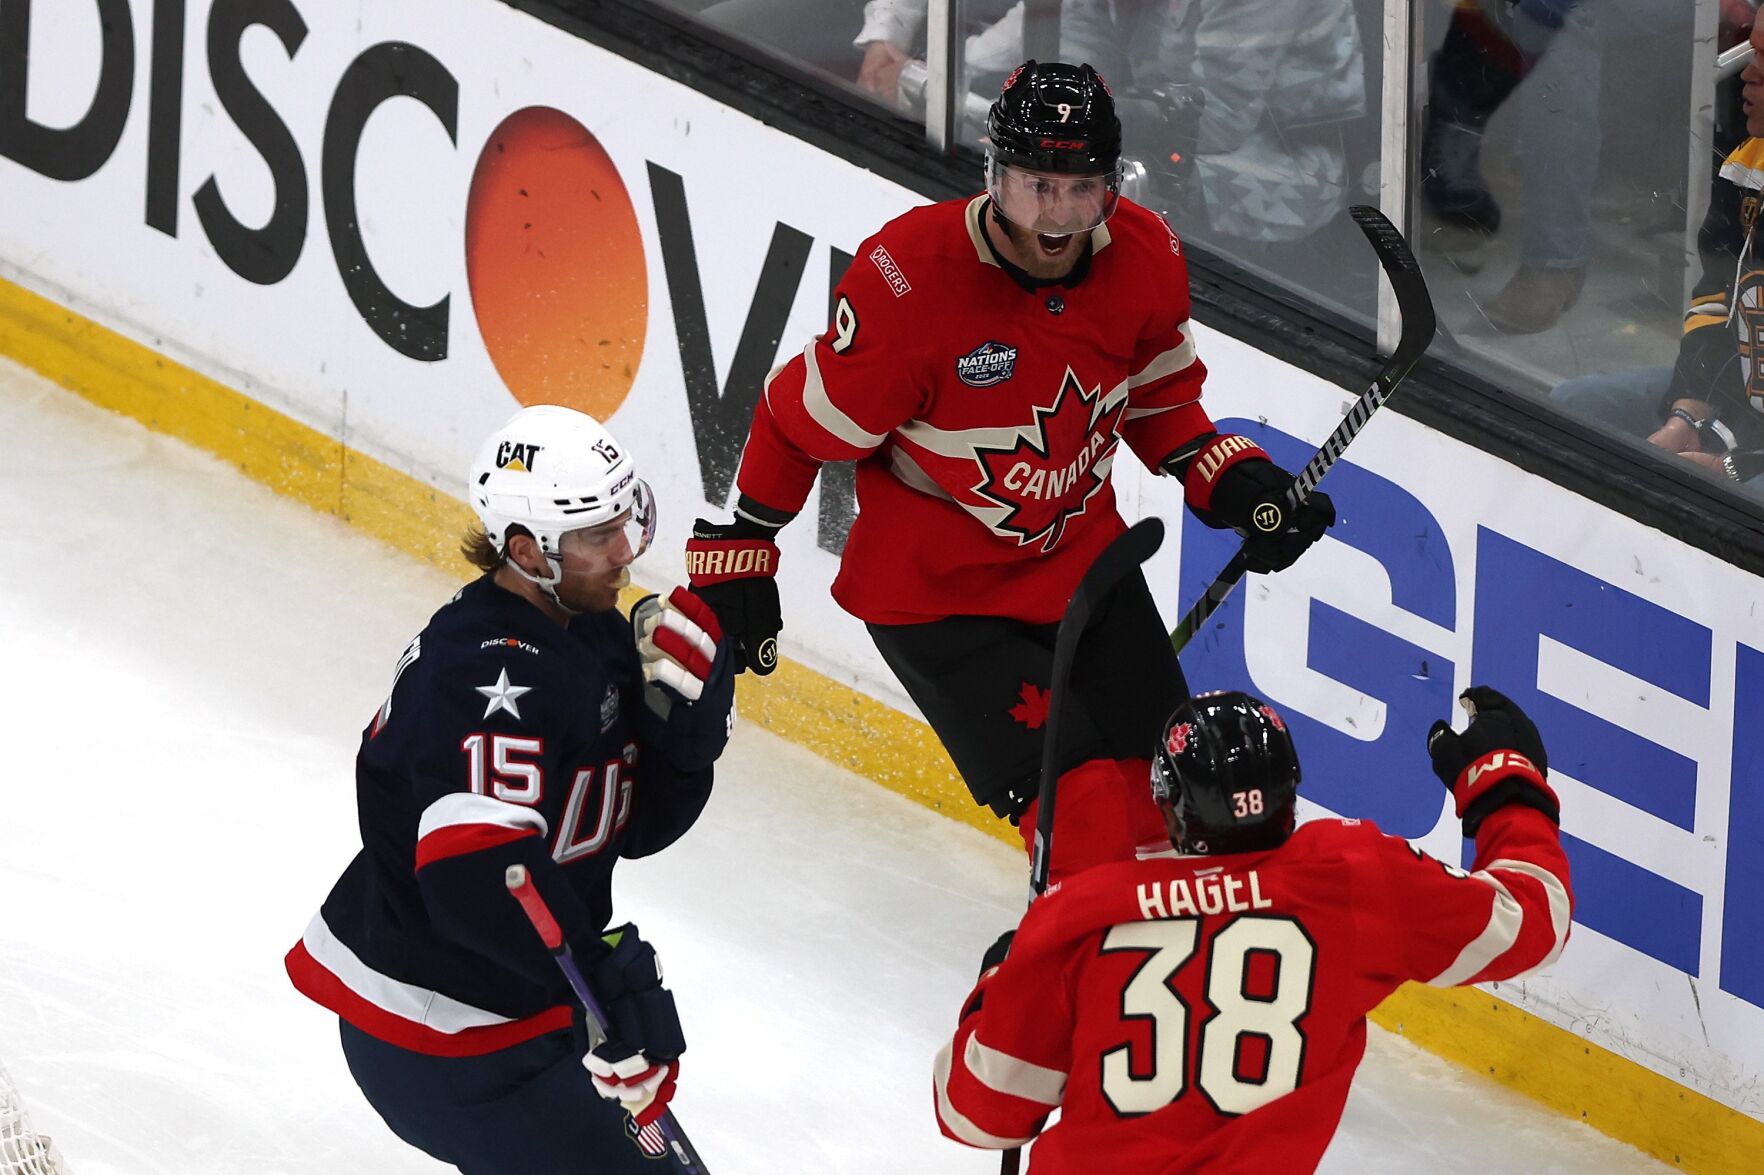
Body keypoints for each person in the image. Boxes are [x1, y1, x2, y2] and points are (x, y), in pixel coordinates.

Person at [685, 60, 1336, 884]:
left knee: (1191, 798)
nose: (1059, 215)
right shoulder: (912, 282)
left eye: (1082, 188)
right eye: (1036, 185)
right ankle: (1079, 992)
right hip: (942, 601)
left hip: (1083, 568)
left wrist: (1232, 480)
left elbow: (1161, 400)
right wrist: (742, 541)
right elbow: (794, 419)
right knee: (1089, 825)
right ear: (993, 174)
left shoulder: (1145, 257)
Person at [284, 405, 736, 1174]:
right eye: (599, 535)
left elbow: (624, 829)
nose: (625, 551)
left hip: (519, 1000)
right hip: (438, 1029)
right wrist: (597, 982)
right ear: (528, 550)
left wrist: (688, 745)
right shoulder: (489, 674)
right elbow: (476, 875)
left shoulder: (586, 632)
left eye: (623, 521)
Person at [933, 686, 1573, 1172]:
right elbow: (1535, 918)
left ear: (1166, 805)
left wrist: (998, 981)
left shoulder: (1079, 913)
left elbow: (977, 1115)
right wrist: (1504, 787)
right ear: (1289, 794)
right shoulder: (1354, 877)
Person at [1549, 16, 1764, 491]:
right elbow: (1718, 306)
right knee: (1572, 407)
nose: (1749, 72)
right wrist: (1688, 414)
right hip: (1742, 410)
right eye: (1753, 52)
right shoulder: (1746, 165)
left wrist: (1733, 465)